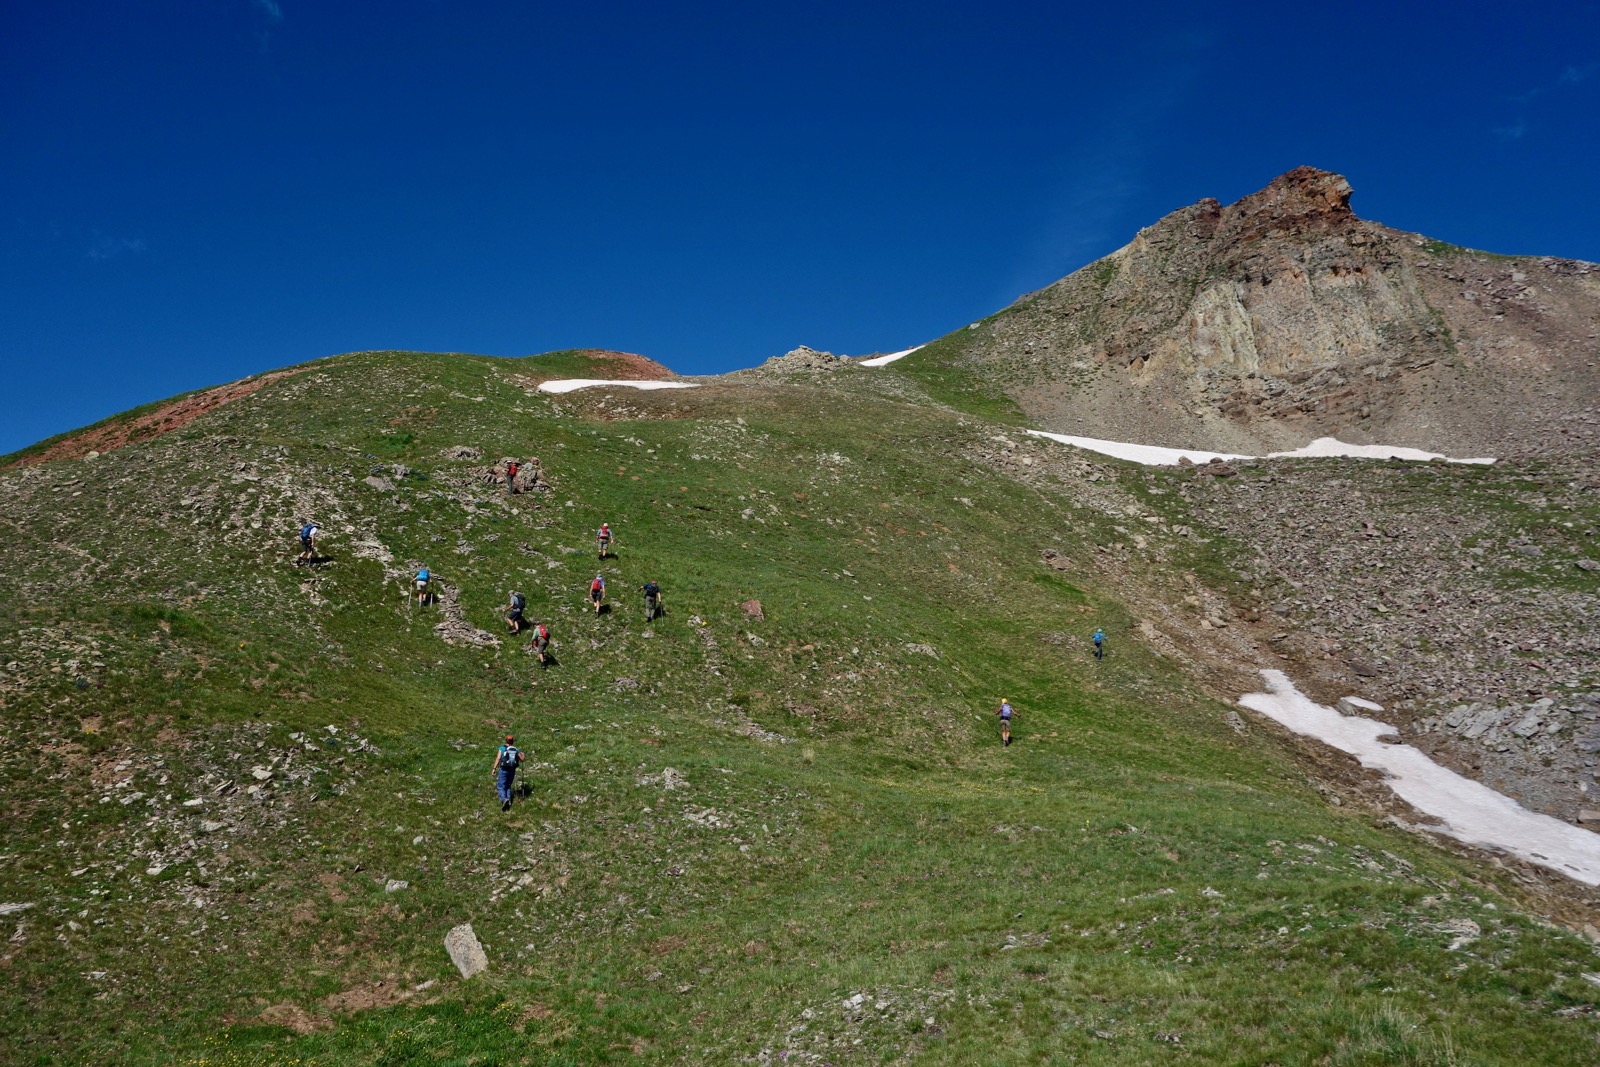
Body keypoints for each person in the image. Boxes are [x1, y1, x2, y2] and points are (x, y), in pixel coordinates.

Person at [492, 735, 523, 811]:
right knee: (508, 785)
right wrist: (523, 754)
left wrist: (494, 768)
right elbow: (522, 759)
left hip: (504, 769)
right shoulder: (516, 749)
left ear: (505, 741)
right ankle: (508, 802)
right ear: (512, 741)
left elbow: (498, 758)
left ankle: (504, 799)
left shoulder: (502, 748)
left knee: (501, 785)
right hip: (512, 770)